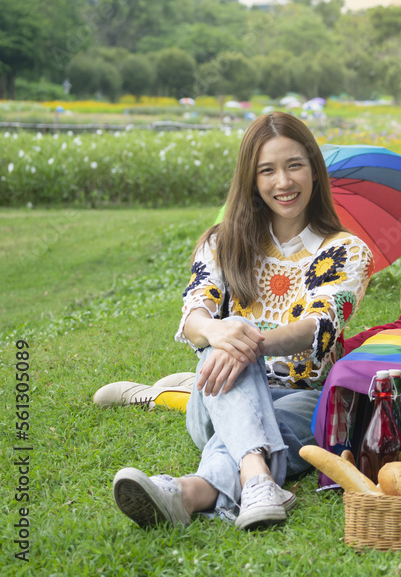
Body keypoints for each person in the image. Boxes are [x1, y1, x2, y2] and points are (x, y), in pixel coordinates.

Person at [111, 112, 372, 530]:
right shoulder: (222, 242)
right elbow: (195, 314)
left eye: (294, 166)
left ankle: (187, 493)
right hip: (216, 393)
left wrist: (254, 342)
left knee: (240, 349)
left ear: (315, 171)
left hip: (304, 397)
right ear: (251, 179)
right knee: (226, 340)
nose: (283, 182)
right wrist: (219, 331)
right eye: (267, 170)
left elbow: (319, 324)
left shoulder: (346, 250)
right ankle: (255, 475)